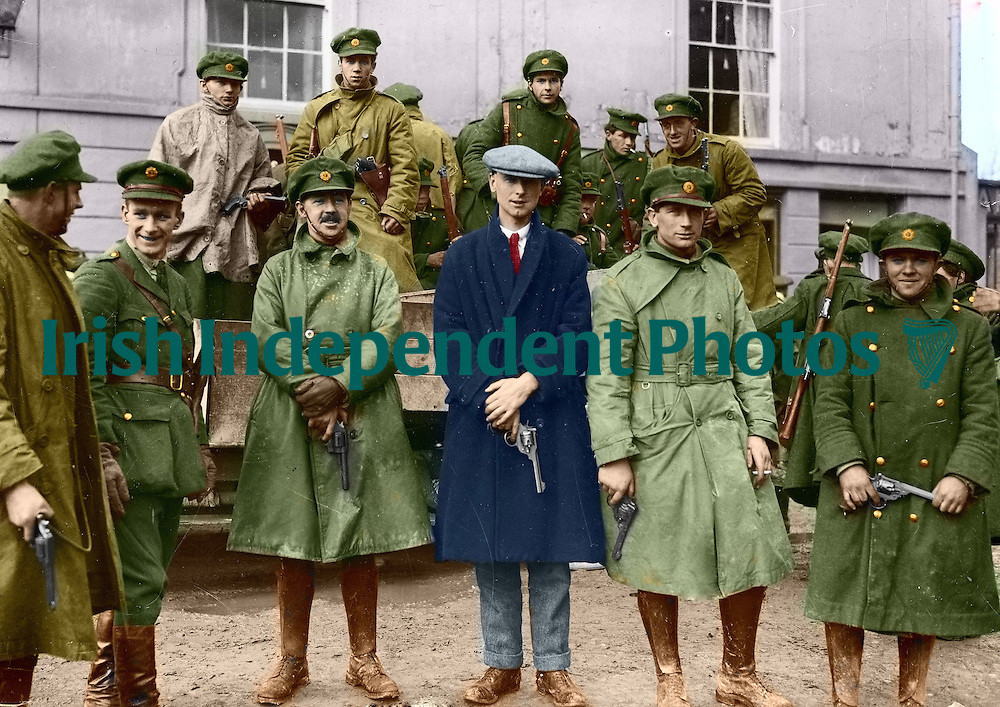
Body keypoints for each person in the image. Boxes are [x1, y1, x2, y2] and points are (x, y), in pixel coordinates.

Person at [227, 156, 431, 705]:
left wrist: (341, 386)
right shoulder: (279, 271)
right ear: (300, 210)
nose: (330, 209)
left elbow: (387, 335)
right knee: (293, 538)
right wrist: (309, 389)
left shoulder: (374, 271)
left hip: (361, 408)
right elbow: (268, 333)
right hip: (291, 410)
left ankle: (364, 658)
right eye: (318, 201)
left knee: (360, 536)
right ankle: (291, 659)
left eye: (339, 199)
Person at [588, 165, 794, 707]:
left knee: (748, 550)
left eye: (695, 212)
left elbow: (750, 358)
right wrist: (614, 454)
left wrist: (760, 430)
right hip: (656, 433)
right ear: (652, 216)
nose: (686, 222)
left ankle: (737, 675)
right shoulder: (623, 282)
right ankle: (670, 678)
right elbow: (607, 376)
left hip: (725, 427)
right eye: (674, 211)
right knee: (656, 555)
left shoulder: (723, 277)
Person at [433, 145, 604, 706]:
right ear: (491, 183)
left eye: (531, 183)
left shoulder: (566, 255)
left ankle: (554, 667)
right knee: (492, 547)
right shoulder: (462, 255)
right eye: (509, 180)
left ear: (543, 190)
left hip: (548, 411)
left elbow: (577, 337)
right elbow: (450, 341)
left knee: (552, 546)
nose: (520, 191)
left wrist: (527, 383)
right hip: (484, 416)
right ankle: (501, 663)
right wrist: (494, 396)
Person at [808, 213, 1000, 707]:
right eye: (897, 259)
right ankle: (844, 698)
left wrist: (964, 474)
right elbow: (829, 402)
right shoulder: (851, 321)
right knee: (845, 596)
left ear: (937, 264)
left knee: (920, 594)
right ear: (883, 263)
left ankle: (912, 698)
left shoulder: (968, 328)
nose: (908, 269)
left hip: (929, 479)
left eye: (919, 259)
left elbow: (983, 413)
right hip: (859, 480)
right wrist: (846, 464)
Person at [72, 160, 212, 706]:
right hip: (126, 449)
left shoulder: (176, 283)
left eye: (162, 216)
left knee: (139, 575)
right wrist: (103, 453)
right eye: (141, 214)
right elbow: (83, 373)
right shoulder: (102, 278)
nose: (151, 226)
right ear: (123, 213)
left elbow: (188, 376)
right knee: (140, 579)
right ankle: (135, 697)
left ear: (178, 219)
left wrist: (199, 444)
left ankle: (107, 688)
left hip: (167, 446)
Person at [0, 130, 122, 705]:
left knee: (18, 627)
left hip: (43, 472)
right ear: (50, 190)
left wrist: (99, 456)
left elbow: (70, 383)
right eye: (74, 190)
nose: (79, 202)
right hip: (16, 479)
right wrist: (16, 483)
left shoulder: (43, 257)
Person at [285, 27, 421, 292]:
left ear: (373, 65)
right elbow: (296, 161)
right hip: (323, 199)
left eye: (364, 61)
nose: (357, 68)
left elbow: (406, 167)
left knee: (390, 262)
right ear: (341, 64)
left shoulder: (391, 110)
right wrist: (309, 195)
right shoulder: (318, 108)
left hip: (370, 203)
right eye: (350, 61)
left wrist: (395, 209)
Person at [148, 50, 280, 320]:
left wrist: (258, 198)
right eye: (221, 82)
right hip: (184, 242)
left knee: (230, 326)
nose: (229, 89)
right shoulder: (177, 124)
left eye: (236, 83)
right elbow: (155, 185)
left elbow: (263, 181)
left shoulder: (251, 136)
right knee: (183, 323)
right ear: (204, 84)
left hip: (234, 246)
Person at [752, 230, 871, 507]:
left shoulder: (815, 288)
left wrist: (735, 319)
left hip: (817, 384)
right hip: (864, 383)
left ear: (827, 261)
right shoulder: (871, 289)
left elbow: (777, 320)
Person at [651, 93, 776, 310]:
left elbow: (755, 192)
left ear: (693, 124)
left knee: (735, 308)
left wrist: (718, 212)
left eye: (678, 123)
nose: (672, 132)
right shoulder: (661, 161)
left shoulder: (726, 150)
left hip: (735, 243)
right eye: (666, 125)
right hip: (690, 246)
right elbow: (654, 207)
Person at [462, 50, 582, 236]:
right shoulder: (509, 110)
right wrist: (493, 189)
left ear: (561, 84)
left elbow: (572, 185)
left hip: (540, 216)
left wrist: (563, 230)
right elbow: (474, 154)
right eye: (541, 81)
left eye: (554, 81)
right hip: (495, 211)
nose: (547, 87)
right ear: (530, 84)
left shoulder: (568, 127)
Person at [382, 81, 462, 223]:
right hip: (437, 214)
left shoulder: (386, 134)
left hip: (396, 212)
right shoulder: (439, 133)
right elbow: (454, 175)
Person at [580, 107, 649, 257]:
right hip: (596, 244)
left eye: (632, 137)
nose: (629, 143)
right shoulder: (589, 163)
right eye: (623, 136)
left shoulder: (644, 164)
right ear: (608, 135)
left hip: (629, 247)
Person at [411, 157, 450, 288]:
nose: (423, 195)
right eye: (418, 189)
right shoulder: (396, 220)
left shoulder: (440, 218)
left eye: (426, 189)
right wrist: (426, 260)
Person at [574, 171, 615, 269]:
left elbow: (614, 266)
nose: (587, 206)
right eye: (582, 200)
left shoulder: (598, 235)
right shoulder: (559, 232)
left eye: (592, 201)